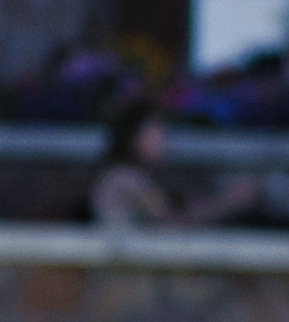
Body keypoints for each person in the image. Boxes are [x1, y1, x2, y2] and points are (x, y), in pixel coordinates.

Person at [89, 95, 263, 233]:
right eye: (153, 133)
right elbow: (173, 224)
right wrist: (228, 201)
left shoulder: (136, 175)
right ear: (131, 137)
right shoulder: (123, 177)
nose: (162, 141)